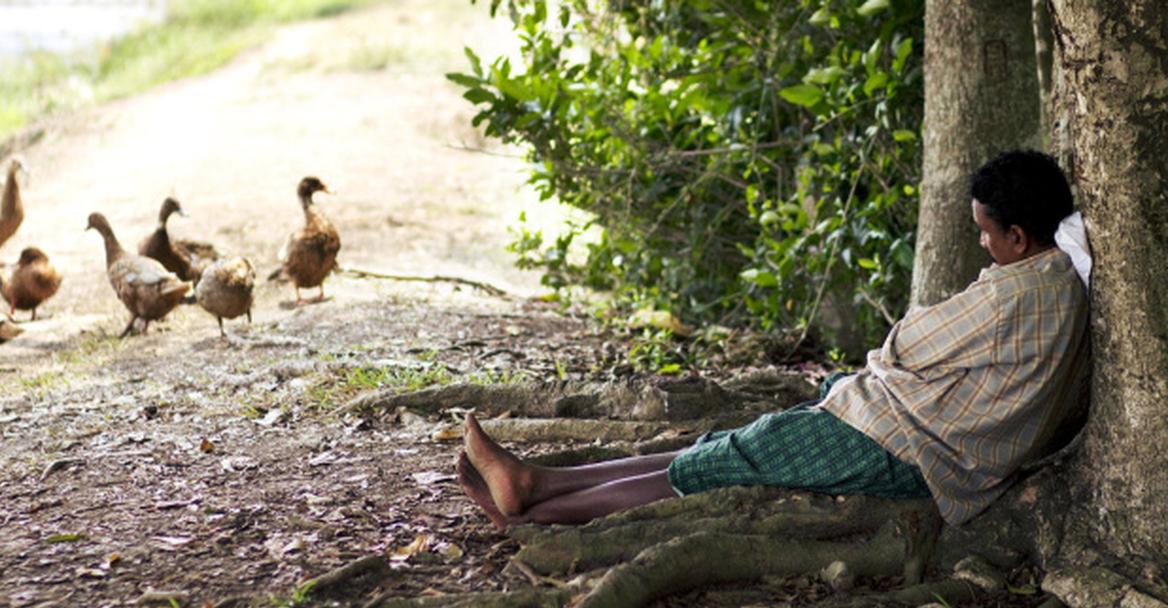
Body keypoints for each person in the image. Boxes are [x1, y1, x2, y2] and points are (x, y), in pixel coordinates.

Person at [456, 149, 1090, 529]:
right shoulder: (1052, 280)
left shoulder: (1018, 293)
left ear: (1019, 237)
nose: (981, 243)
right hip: (919, 435)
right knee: (726, 444)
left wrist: (878, 368)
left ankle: (535, 514)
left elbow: (907, 344)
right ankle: (535, 482)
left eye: (986, 232)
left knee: (729, 459)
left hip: (913, 450)